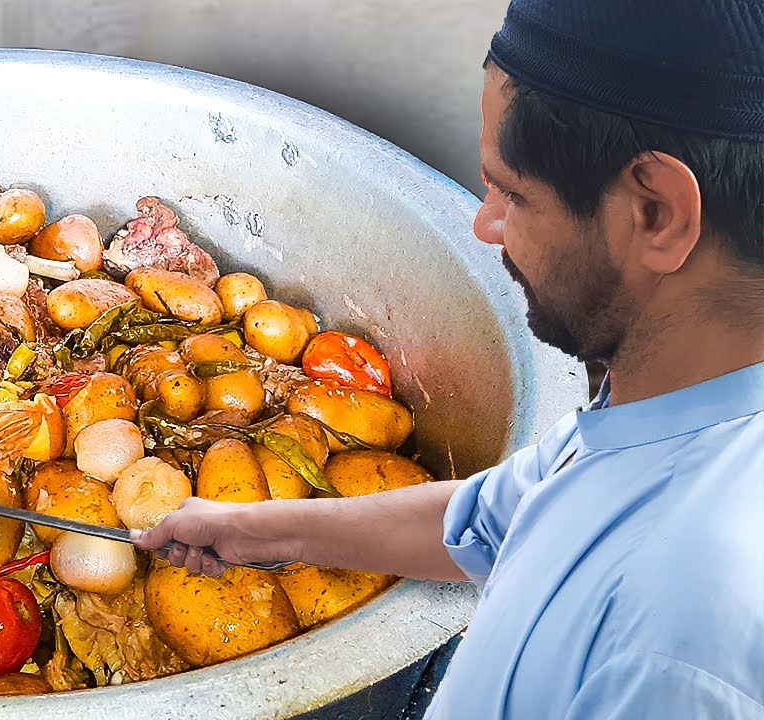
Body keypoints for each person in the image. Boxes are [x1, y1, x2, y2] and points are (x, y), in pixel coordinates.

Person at [131, 0, 764, 717]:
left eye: (513, 193)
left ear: (657, 213)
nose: (483, 224)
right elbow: (492, 520)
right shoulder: (669, 409)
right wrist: (253, 531)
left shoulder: (681, 643)